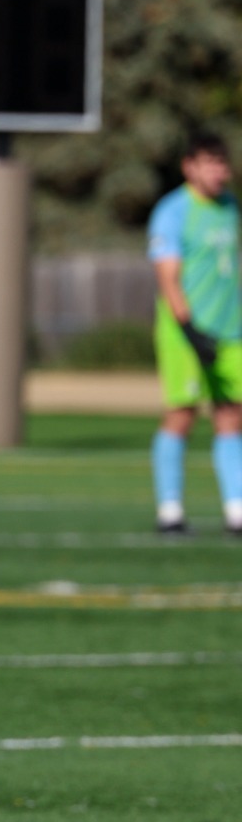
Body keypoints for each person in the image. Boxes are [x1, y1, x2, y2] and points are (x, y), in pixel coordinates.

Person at [147, 132, 242, 535]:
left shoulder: (231, 208)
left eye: (223, 163)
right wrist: (189, 328)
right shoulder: (174, 211)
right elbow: (168, 277)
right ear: (190, 166)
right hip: (186, 333)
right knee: (181, 415)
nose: (219, 171)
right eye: (210, 163)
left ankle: (236, 508)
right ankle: (170, 509)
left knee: (232, 415)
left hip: (231, 331)